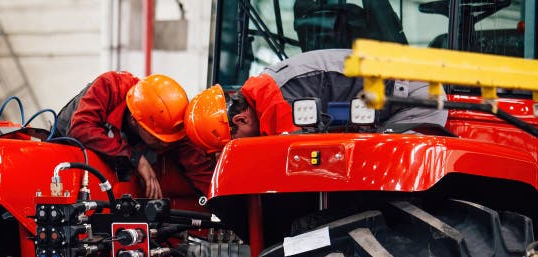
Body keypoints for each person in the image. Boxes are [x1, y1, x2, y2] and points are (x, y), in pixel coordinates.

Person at [185, 49, 448, 153]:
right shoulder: (266, 93)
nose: (240, 148)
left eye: (236, 143)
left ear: (241, 119)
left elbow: (297, 160)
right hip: (394, 98)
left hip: (416, 99)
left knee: (385, 175)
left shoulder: (278, 101)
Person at [55, 71, 215, 199]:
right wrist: (135, 159)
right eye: (158, 138)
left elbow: (199, 169)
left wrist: (222, 202)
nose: (165, 144)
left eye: (169, 139)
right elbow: (81, 129)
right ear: (134, 120)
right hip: (67, 167)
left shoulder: (170, 123)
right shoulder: (109, 86)